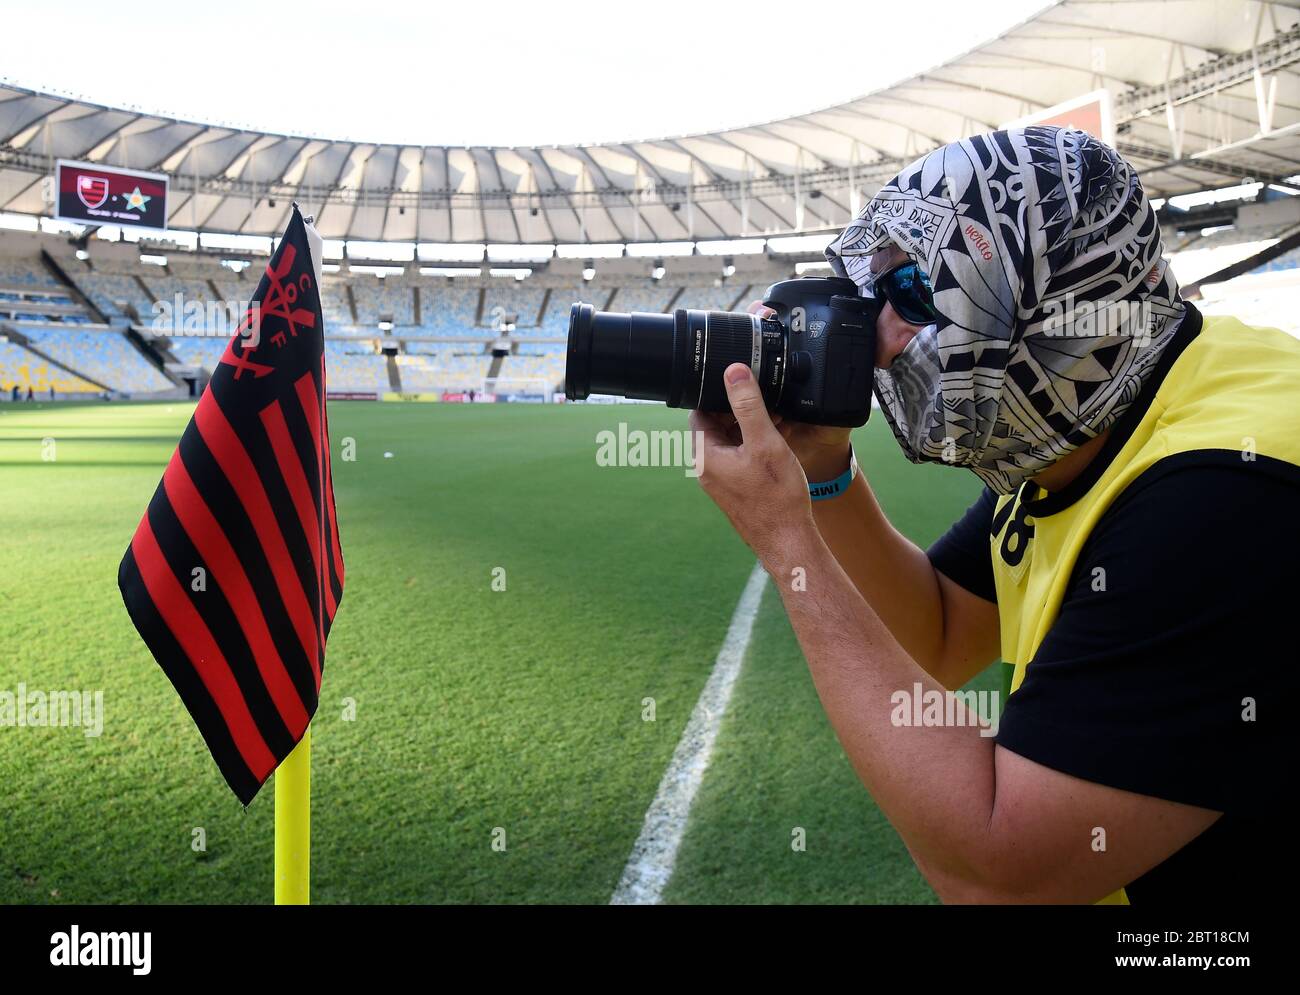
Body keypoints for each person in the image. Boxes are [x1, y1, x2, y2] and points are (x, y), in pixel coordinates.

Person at [692, 126, 1298, 904]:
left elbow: (997, 874)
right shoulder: (1096, 399)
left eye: (913, 294)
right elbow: (938, 632)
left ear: (1049, 305)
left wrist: (788, 548)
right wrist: (824, 473)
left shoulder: (1224, 498)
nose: (876, 341)